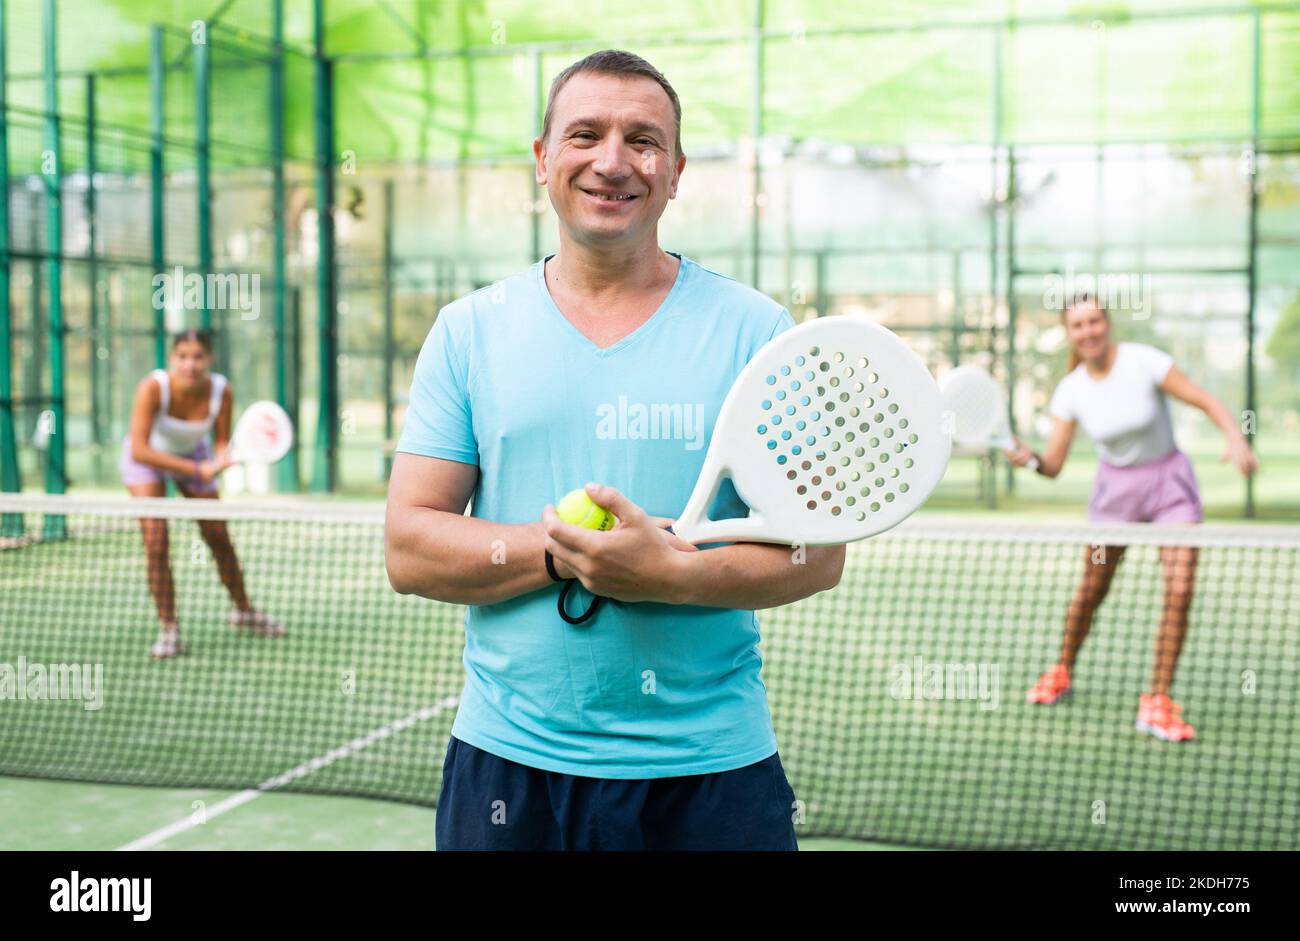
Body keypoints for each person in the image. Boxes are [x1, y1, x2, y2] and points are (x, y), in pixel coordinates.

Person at [385, 50, 845, 850]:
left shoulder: (759, 333)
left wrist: (674, 573)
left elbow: (817, 553)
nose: (612, 161)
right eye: (585, 134)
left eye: (643, 140)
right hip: (508, 773)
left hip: (712, 780)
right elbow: (410, 547)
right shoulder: (467, 332)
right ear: (542, 159)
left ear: (674, 172)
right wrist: (569, 554)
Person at [1005, 294, 1258, 741]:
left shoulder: (1145, 362)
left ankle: (1157, 700)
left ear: (1107, 322)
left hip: (1170, 492)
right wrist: (1027, 459)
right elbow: (1053, 466)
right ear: (1070, 333)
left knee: (1180, 591)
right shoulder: (1072, 390)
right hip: (1113, 503)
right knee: (1091, 590)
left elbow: (1205, 400)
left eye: (1095, 320)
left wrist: (1236, 439)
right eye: (1078, 324)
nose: (1088, 331)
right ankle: (1062, 669)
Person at [120, 328, 285, 659]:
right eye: (182, 357)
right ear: (172, 358)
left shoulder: (221, 391)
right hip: (148, 461)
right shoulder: (153, 388)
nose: (190, 364)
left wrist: (221, 458)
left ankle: (244, 611)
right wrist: (197, 471)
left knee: (218, 534)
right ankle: (169, 631)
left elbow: (222, 440)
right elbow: (139, 449)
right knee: (155, 542)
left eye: (198, 357)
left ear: (209, 359)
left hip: (194, 455)